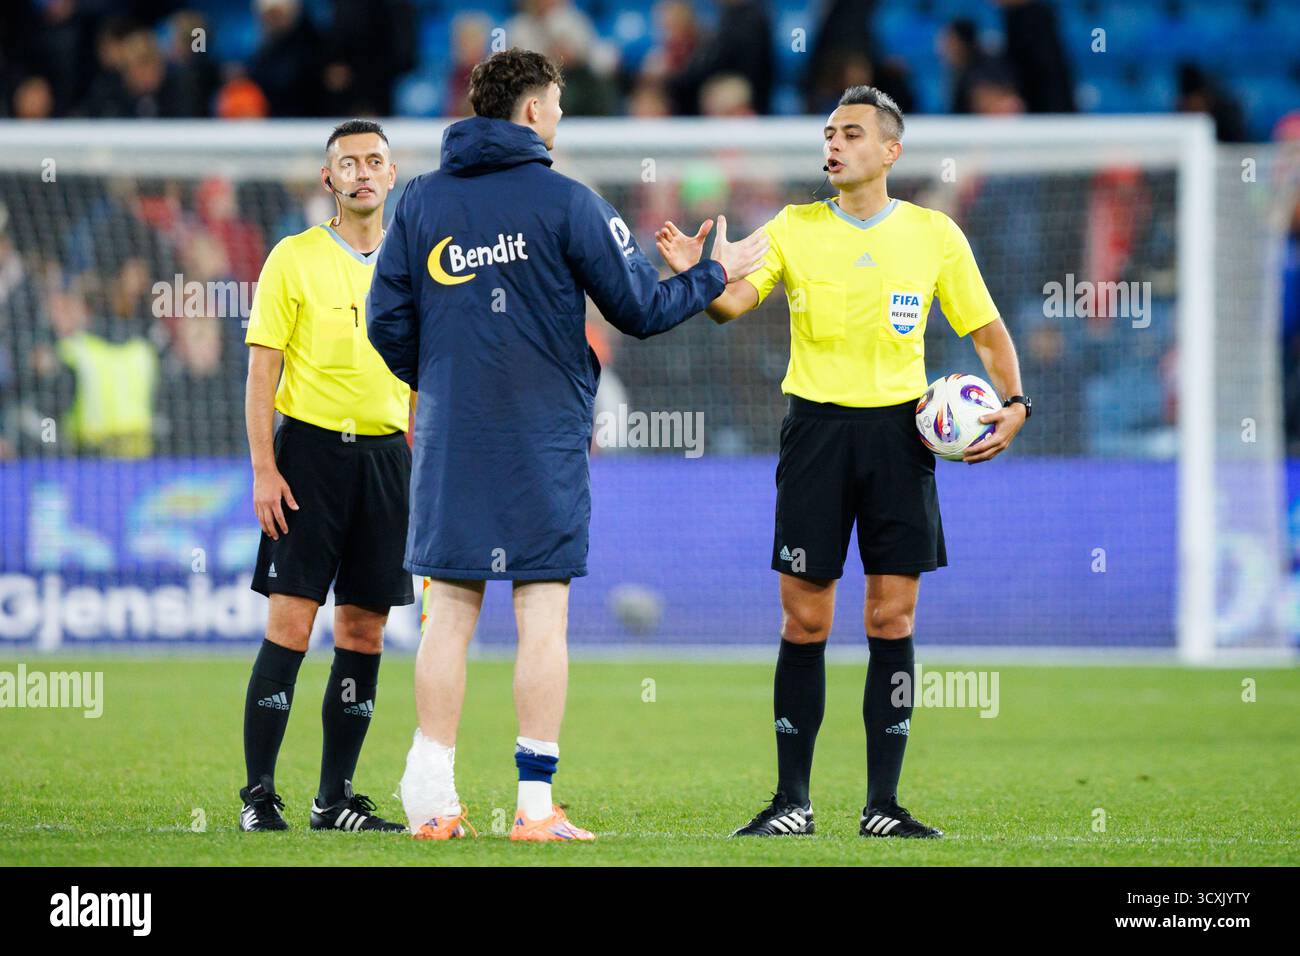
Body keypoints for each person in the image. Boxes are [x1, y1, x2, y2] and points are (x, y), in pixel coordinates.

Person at [365, 48, 768, 842]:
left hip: (450, 433)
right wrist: (712, 276)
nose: (558, 118)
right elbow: (641, 311)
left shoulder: (418, 202)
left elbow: (383, 320)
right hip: (542, 433)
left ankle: (433, 796)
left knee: (447, 609)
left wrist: (446, 377)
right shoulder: (567, 201)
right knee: (541, 610)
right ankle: (534, 807)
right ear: (530, 112)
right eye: (554, 105)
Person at [656, 85, 1031, 838]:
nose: (833, 144)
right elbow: (733, 306)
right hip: (817, 434)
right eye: (828, 132)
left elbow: (987, 331)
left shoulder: (934, 235)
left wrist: (1017, 404)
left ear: (889, 151)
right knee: (805, 621)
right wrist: (699, 277)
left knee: (892, 616)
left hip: (901, 438)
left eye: (851, 133)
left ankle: (883, 806)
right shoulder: (793, 228)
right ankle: (791, 802)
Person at [238, 119, 415, 833]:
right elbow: (261, 371)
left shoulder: (413, 264)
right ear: (329, 180)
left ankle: (334, 798)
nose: (363, 172)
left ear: (393, 174)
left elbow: (426, 374)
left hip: (385, 459)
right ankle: (258, 797)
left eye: (375, 160)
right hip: (307, 456)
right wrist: (263, 469)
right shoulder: (293, 257)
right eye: (349, 163)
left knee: (364, 631)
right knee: (290, 622)